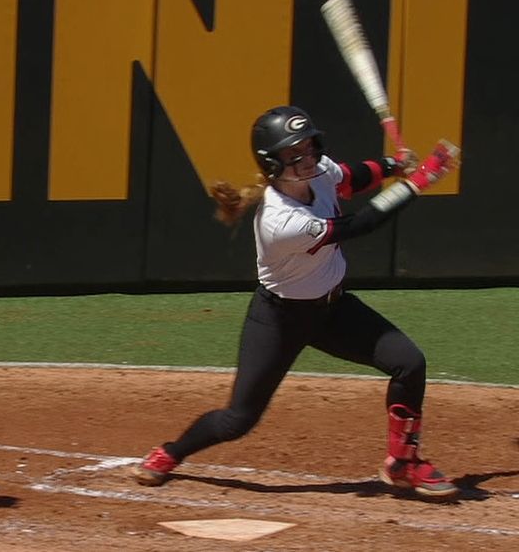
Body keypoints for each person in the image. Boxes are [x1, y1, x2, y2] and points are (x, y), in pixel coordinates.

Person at [131, 105, 461, 498]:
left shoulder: (317, 171)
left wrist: (392, 165)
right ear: (272, 163)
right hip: (280, 320)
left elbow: (350, 177)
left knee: (409, 363)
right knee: (238, 419)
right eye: (294, 153)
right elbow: (361, 224)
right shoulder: (281, 221)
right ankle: (171, 453)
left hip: (334, 310)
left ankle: (403, 461)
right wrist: (418, 180)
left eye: (308, 147)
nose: (307, 158)